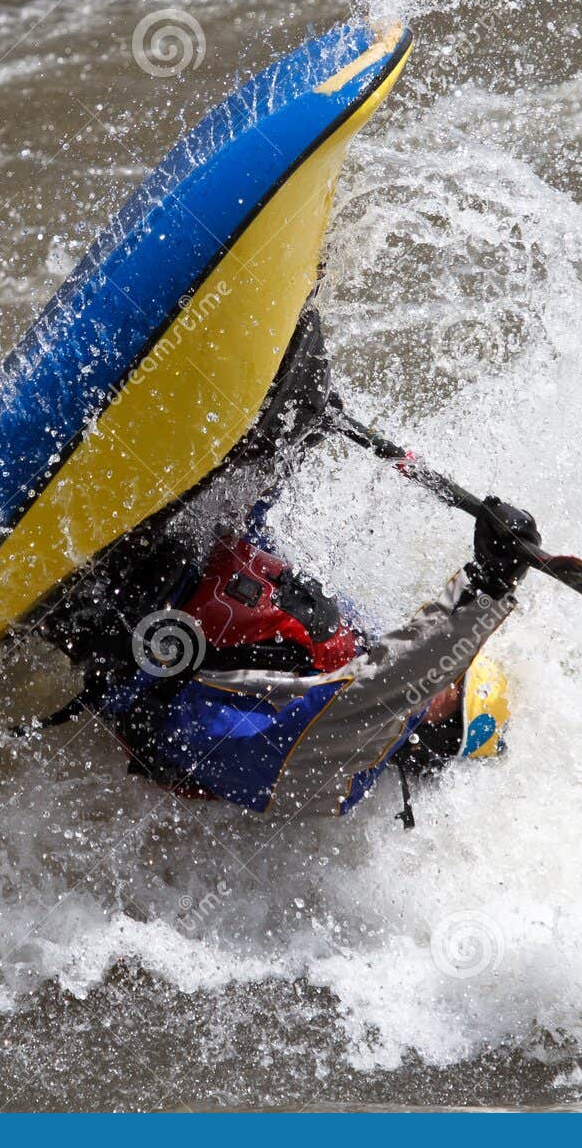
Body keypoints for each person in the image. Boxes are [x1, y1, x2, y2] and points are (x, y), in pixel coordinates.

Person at [35, 301, 538, 824]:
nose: (437, 675)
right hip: (160, 580)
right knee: (287, 407)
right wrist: (294, 435)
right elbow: (254, 565)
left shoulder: (345, 760)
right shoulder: (351, 687)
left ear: (438, 729)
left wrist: (490, 583)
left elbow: (394, 679)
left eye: (450, 683)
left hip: (124, 627)